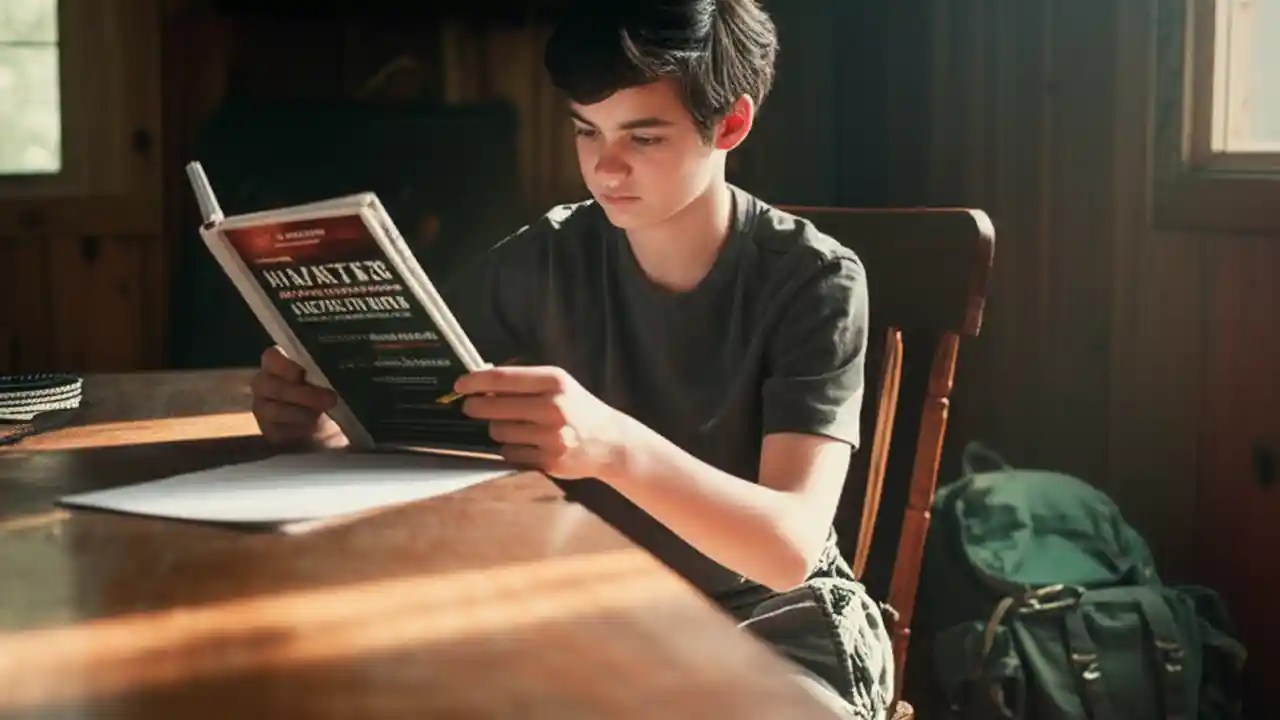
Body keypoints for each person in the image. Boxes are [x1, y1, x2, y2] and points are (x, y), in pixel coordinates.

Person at [248, 1, 893, 716]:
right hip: (585, 608)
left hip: (771, 626)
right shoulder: (548, 257)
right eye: (588, 131)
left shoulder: (813, 280)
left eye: (642, 139)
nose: (605, 167)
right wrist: (321, 425)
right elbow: (411, 404)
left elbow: (786, 548)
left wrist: (609, 444)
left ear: (731, 125)